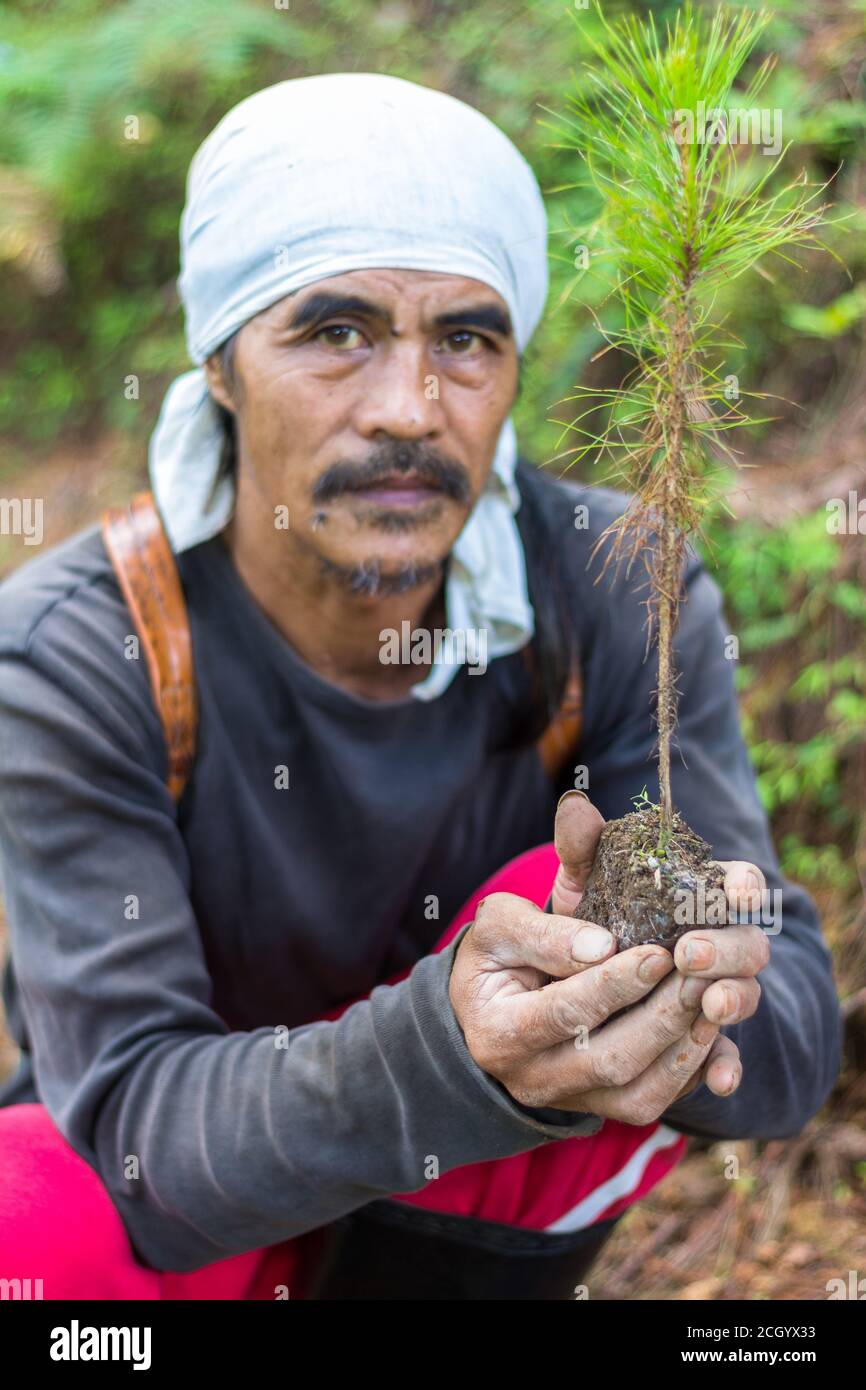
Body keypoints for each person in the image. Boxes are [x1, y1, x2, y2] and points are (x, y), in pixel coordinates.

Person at [0, 73, 841, 1301]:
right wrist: (446, 1047)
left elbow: (794, 1022)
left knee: (575, 906)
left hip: (463, 1208)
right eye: (333, 332)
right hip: (199, 1216)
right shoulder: (85, 652)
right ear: (220, 367)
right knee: (27, 1219)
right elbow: (135, 1127)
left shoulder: (608, 585)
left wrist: (692, 987)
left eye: (465, 338)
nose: (409, 409)